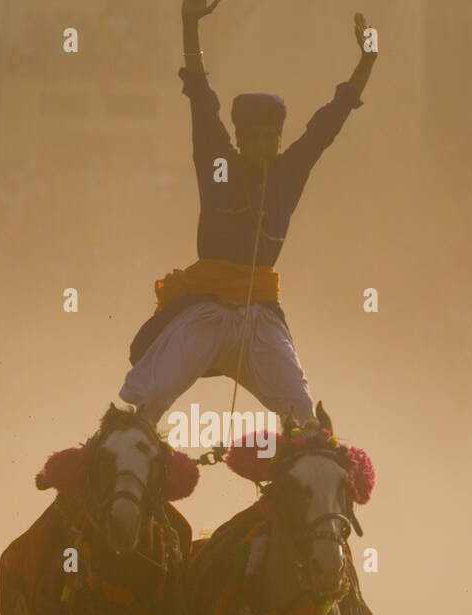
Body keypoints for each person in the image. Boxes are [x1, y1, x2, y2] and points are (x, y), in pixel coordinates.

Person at [119, 0, 378, 429]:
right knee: (147, 401)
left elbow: (331, 121)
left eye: (270, 138)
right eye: (253, 137)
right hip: (203, 311)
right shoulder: (218, 164)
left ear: (279, 140)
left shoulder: (288, 173)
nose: (262, 145)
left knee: (304, 417)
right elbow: (200, 97)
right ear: (239, 139)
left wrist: (367, 59)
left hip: (260, 317)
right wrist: (189, 26)